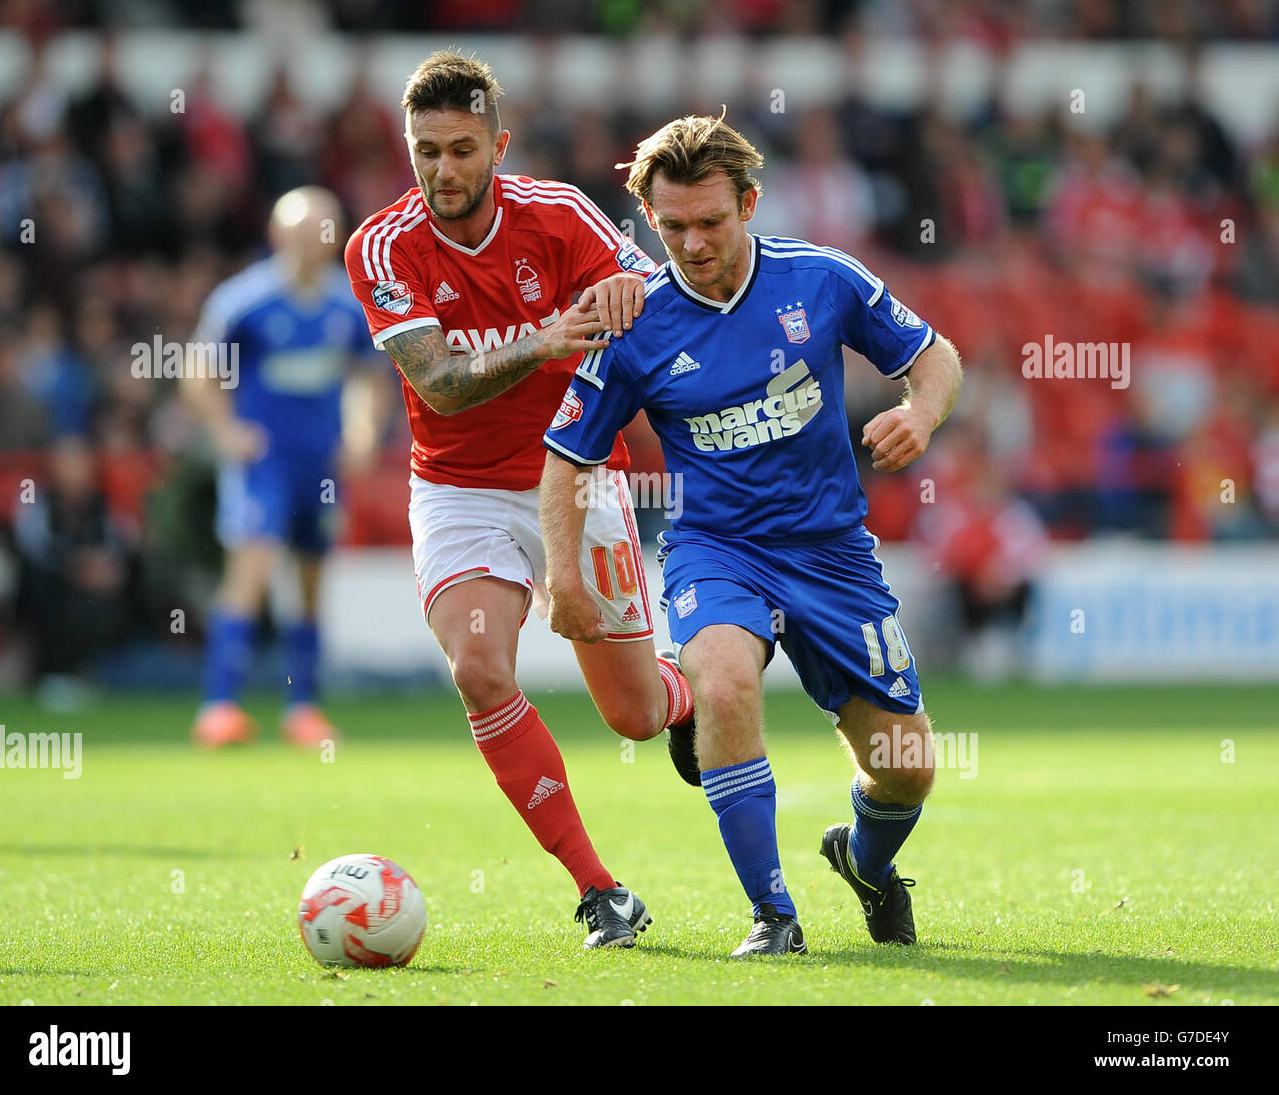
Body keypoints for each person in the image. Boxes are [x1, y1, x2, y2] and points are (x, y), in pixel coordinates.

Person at [540, 114, 963, 956]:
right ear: (649, 222)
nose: (692, 244)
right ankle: (773, 917)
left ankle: (866, 864)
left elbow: (934, 354)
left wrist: (921, 411)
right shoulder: (636, 325)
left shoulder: (821, 280)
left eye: (710, 222)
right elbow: (565, 461)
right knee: (725, 684)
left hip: (832, 552)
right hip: (717, 548)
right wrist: (564, 577)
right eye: (672, 228)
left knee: (907, 768)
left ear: (749, 203)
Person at [342, 51, 697, 949]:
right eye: (426, 150)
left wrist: (631, 282)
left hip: (577, 477)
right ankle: (599, 890)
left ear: (498, 145)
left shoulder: (561, 214)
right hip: (458, 488)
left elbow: (650, 287)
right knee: (478, 669)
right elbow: (442, 384)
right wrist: (543, 341)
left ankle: (685, 698)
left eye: (462, 149)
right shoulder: (381, 247)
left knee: (636, 717)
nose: (443, 170)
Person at [187, 186, 389, 749]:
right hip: (265, 463)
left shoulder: (347, 306)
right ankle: (220, 706)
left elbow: (370, 379)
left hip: (320, 464)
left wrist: (363, 433)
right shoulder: (244, 302)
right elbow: (198, 372)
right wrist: (227, 431)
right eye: (302, 232)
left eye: (323, 232)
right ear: (278, 235)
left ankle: (302, 708)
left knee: (309, 583)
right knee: (250, 572)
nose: (312, 243)